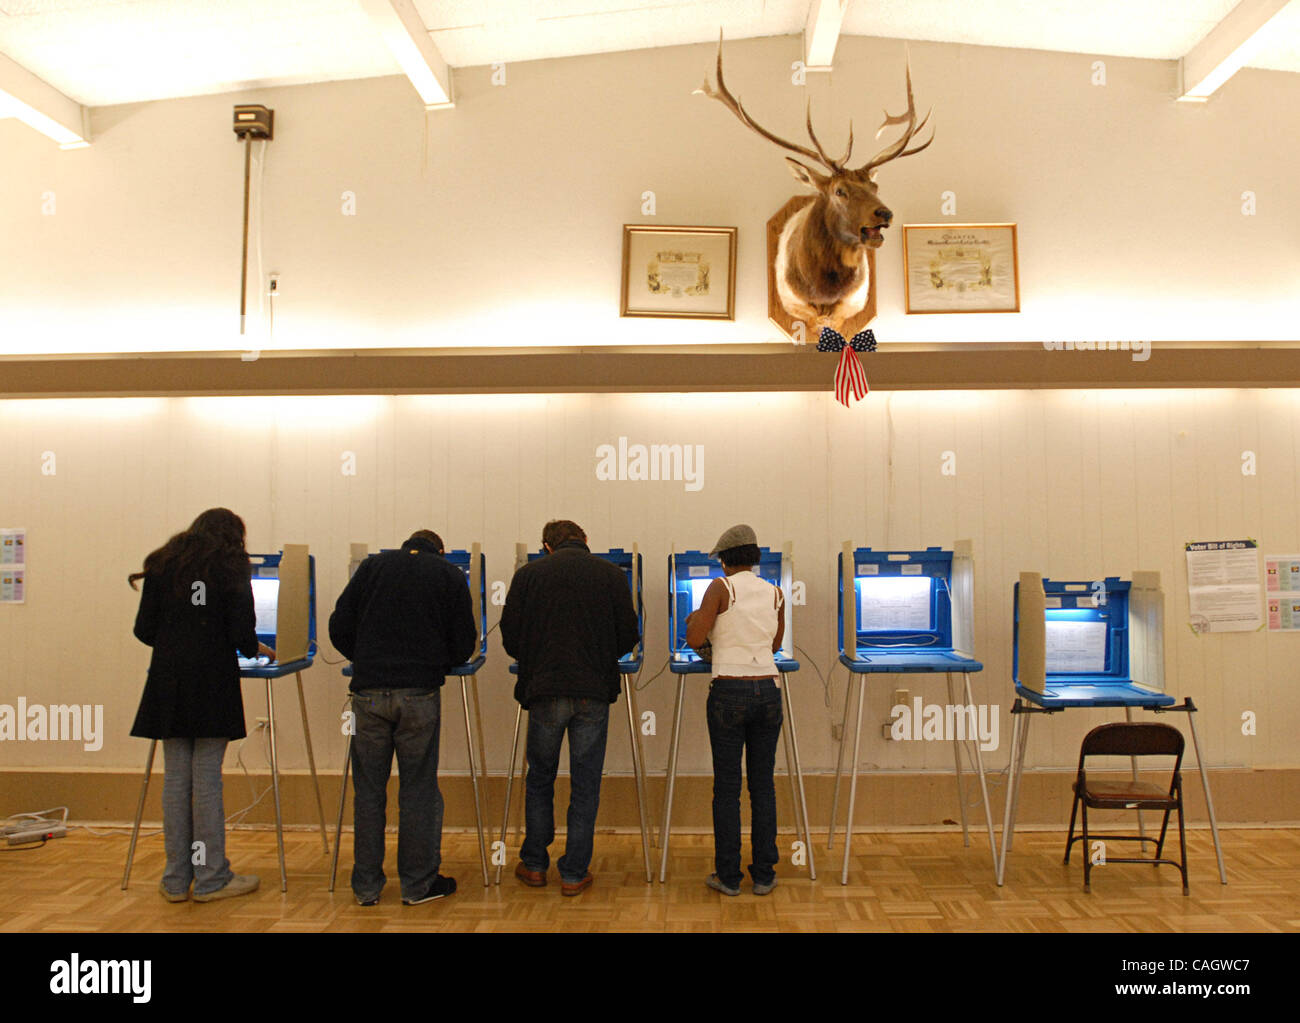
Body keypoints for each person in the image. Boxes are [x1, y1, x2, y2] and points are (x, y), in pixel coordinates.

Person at [130, 507, 272, 902]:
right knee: (206, 780)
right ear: (234, 537)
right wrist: (255, 648)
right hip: (212, 683)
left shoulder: (164, 563)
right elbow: (240, 632)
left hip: (169, 682)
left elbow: (144, 630)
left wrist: (181, 639)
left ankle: (176, 880)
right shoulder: (230, 567)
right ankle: (211, 878)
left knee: (176, 781)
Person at [329, 530, 478, 906]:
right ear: (441, 551)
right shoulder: (447, 575)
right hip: (418, 694)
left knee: (368, 792)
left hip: (367, 694)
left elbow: (338, 626)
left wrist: (365, 657)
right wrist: (436, 661)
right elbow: (463, 644)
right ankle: (418, 885)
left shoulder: (371, 567)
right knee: (418, 790)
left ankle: (366, 887)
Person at [500, 520, 639, 896]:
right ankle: (575, 872)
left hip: (544, 690)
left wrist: (535, 656)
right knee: (585, 783)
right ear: (585, 541)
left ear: (546, 545)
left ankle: (533, 865)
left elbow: (510, 637)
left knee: (540, 778)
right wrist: (597, 656)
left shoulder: (528, 575)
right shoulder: (611, 575)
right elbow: (629, 634)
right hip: (592, 692)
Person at [685, 524, 786, 897]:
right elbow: (775, 644)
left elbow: (695, 638)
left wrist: (697, 620)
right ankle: (764, 874)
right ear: (756, 558)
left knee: (727, 788)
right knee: (763, 786)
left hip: (729, 691)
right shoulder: (776, 592)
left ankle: (728, 877)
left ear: (725, 560)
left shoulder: (719, 587)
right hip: (768, 690)